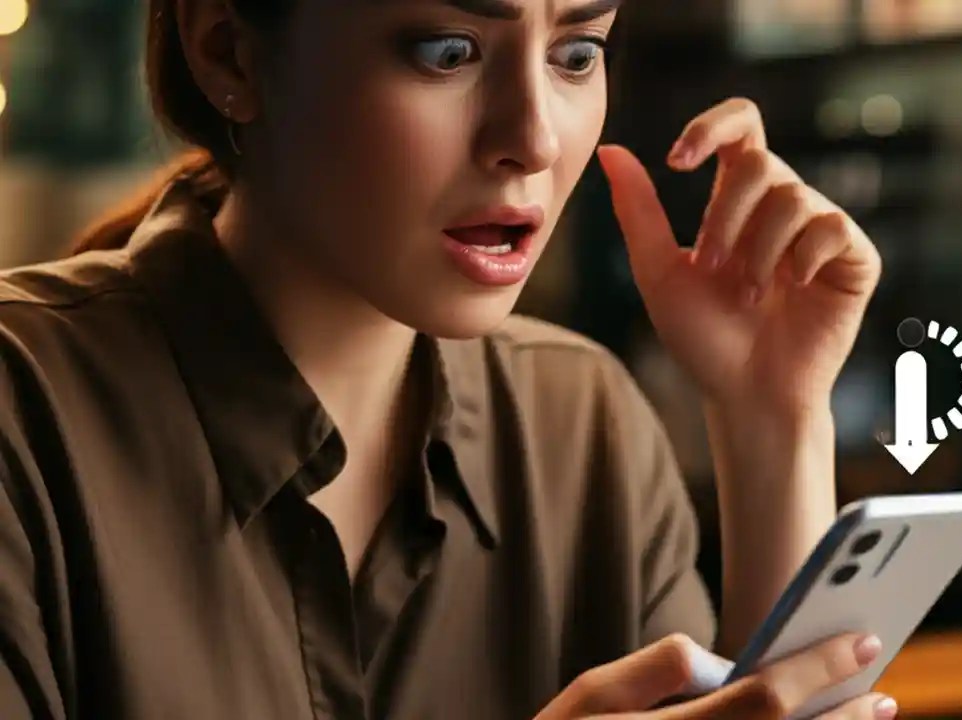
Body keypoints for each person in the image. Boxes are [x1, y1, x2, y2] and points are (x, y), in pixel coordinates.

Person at [0, 0, 887, 718]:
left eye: (576, 55)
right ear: (230, 53)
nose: (534, 140)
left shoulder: (582, 423)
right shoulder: (26, 416)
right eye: (447, 49)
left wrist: (771, 416)